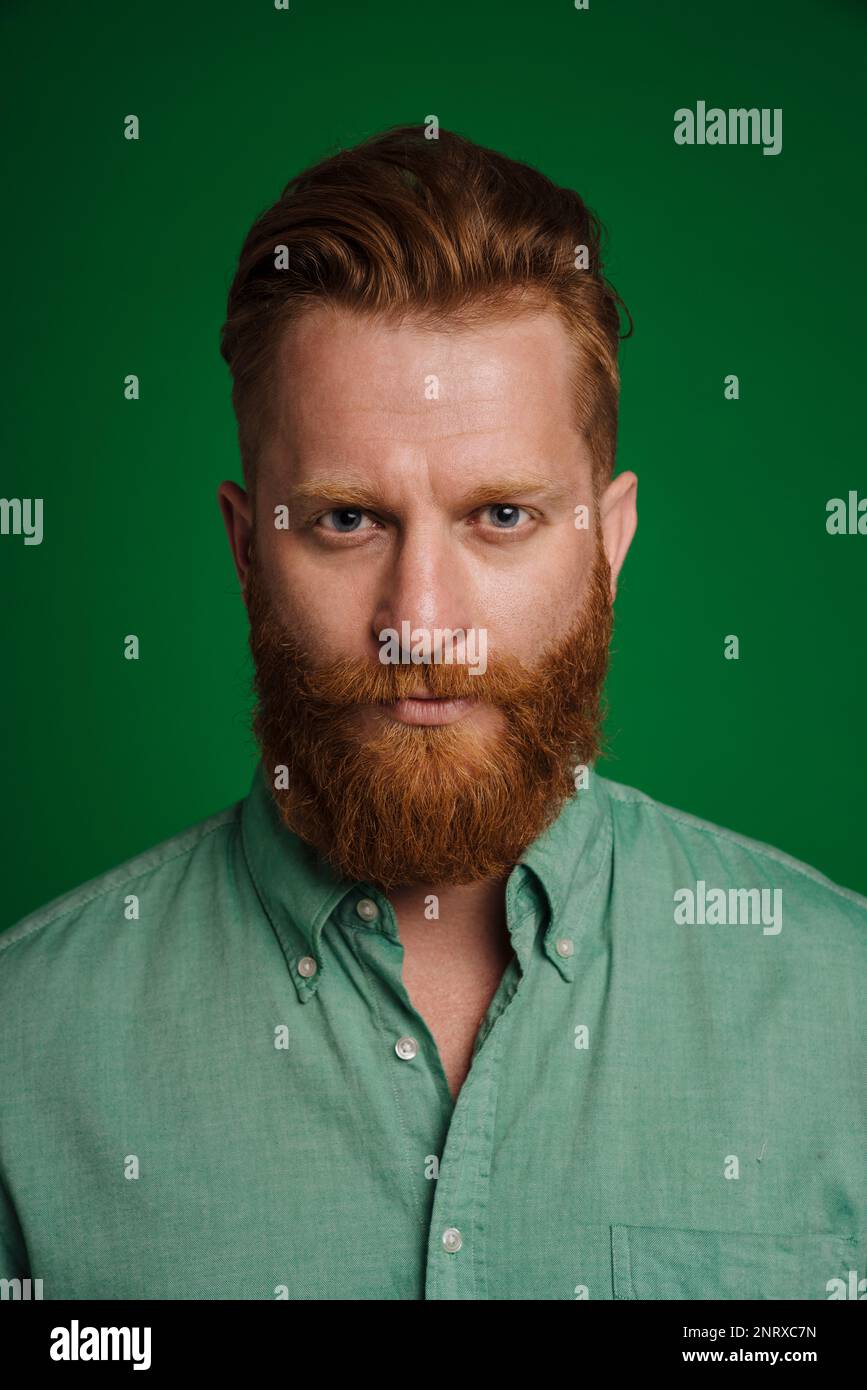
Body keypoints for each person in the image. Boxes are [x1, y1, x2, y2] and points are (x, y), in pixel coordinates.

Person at [1, 125, 864, 1302]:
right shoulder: (24, 1054)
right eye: (348, 520)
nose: (422, 623)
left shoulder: (844, 1015)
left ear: (608, 545)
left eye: (502, 515)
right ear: (247, 550)